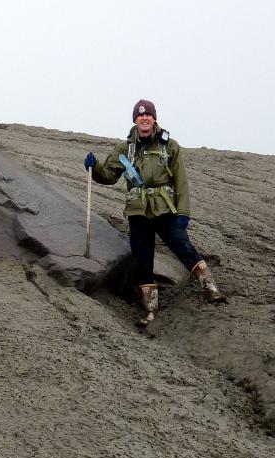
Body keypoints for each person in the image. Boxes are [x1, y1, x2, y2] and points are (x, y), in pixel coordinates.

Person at [84, 99, 224, 327]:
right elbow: (109, 176)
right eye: (140, 116)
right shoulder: (125, 149)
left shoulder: (169, 146)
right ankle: (150, 311)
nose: (144, 119)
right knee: (142, 260)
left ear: (154, 118)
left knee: (182, 246)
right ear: (135, 121)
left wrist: (184, 211)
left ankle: (211, 288)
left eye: (148, 115)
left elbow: (181, 181)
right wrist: (95, 167)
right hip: (138, 212)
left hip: (165, 208)